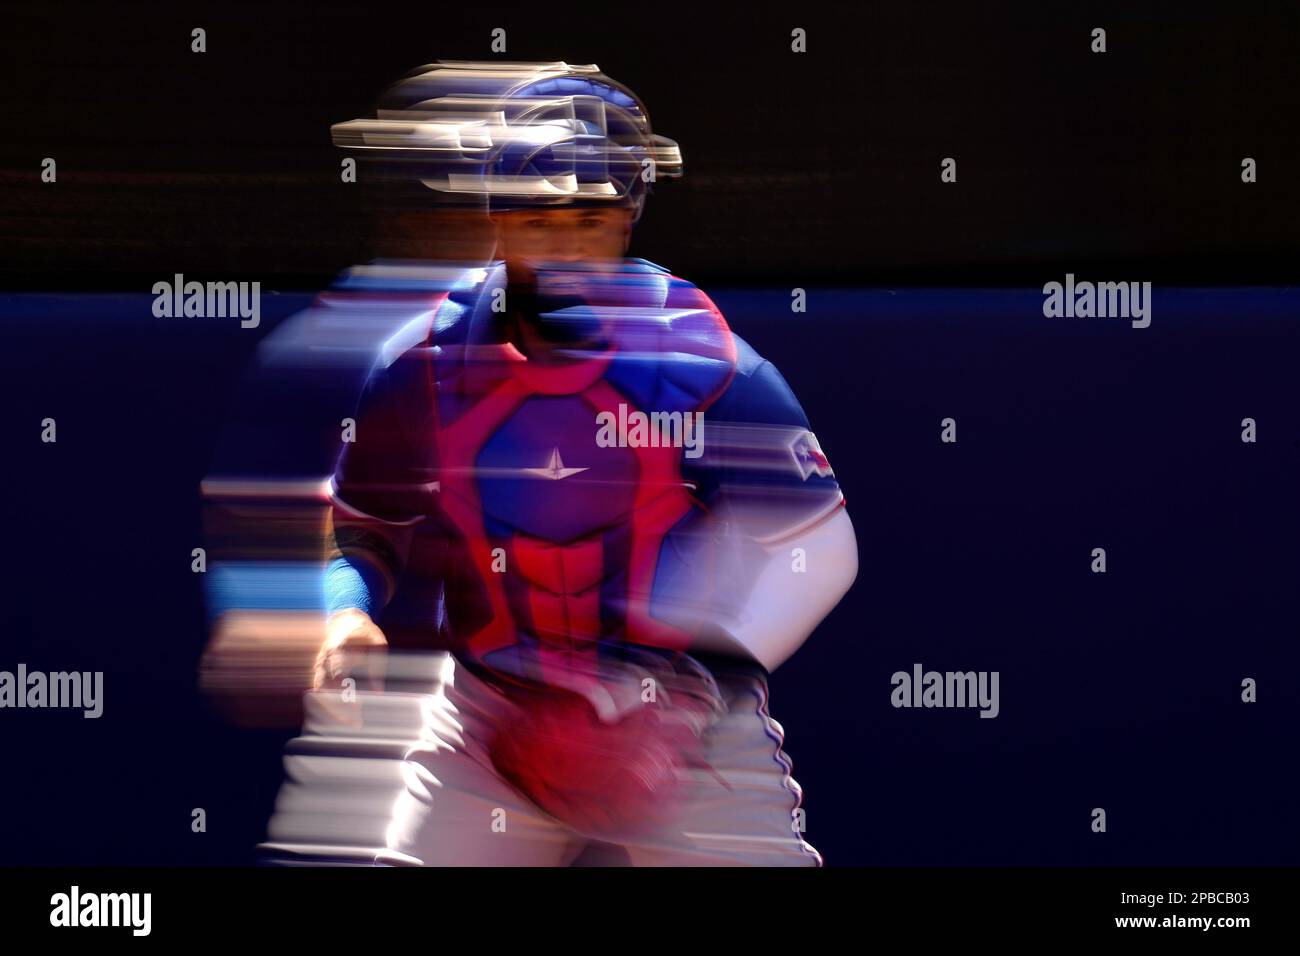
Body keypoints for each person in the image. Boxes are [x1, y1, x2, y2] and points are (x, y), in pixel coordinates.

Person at [310, 61, 858, 866]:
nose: (565, 243)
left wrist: (688, 692)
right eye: (538, 219)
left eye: (589, 217)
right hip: (489, 723)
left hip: (683, 724)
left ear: (629, 217)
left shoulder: (711, 369)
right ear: (497, 218)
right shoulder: (419, 369)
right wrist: (346, 613)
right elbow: (365, 526)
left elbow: (820, 546)